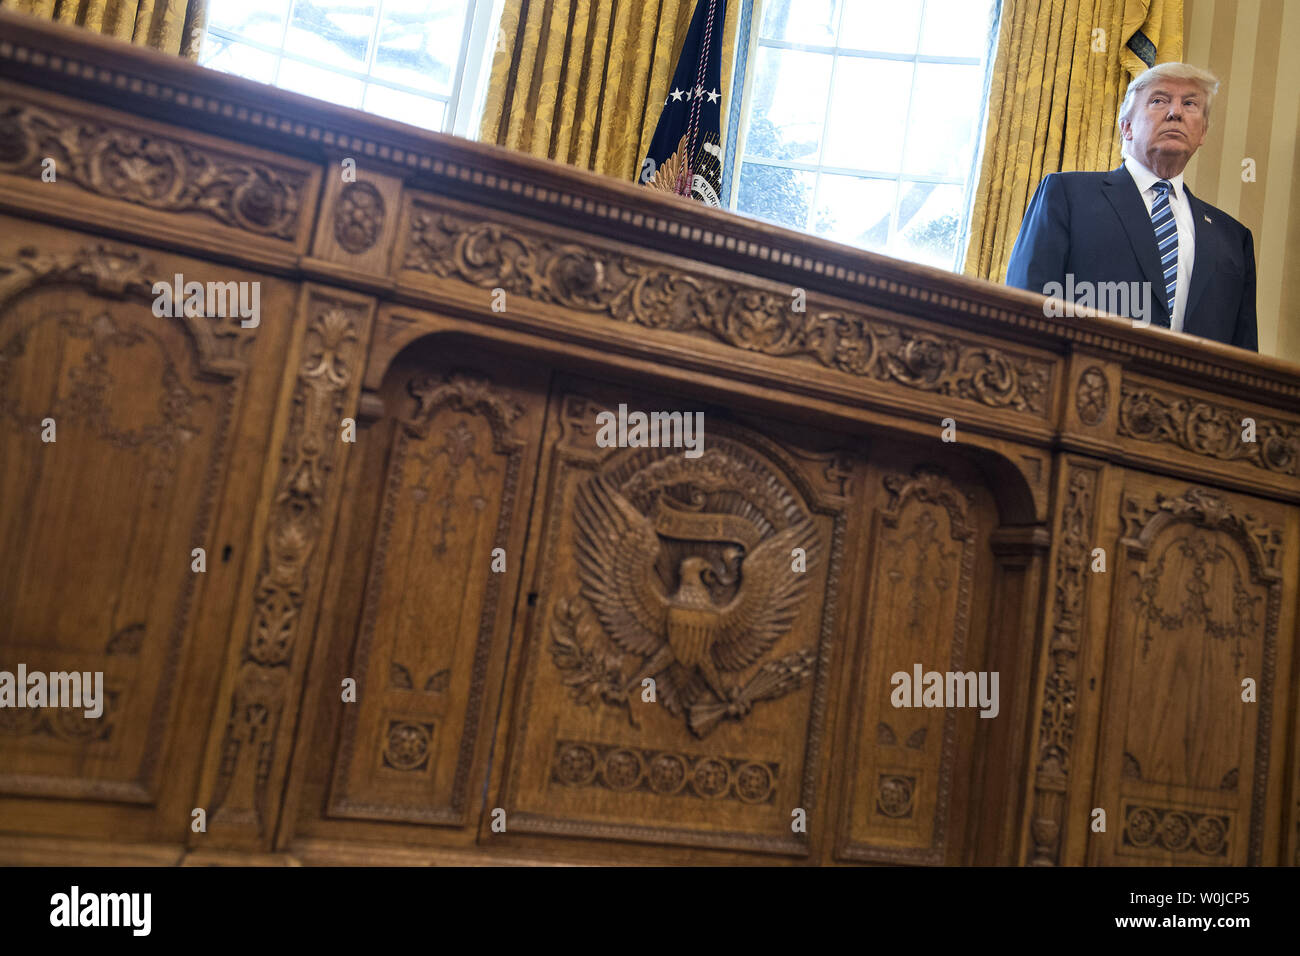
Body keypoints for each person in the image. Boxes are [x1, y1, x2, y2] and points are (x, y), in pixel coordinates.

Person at [1005, 63, 1257, 351]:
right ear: (1126, 127)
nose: (1175, 112)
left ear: (1202, 133)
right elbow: (1025, 304)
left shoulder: (1233, 238)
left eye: (1190, 104)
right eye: (1159, 100)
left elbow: (1244, 350)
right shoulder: (1067, 195)